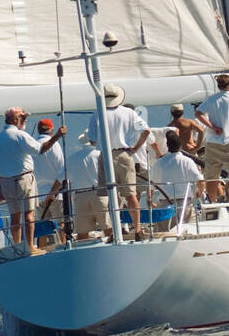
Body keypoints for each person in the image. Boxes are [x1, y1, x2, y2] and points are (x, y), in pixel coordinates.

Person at [0, 108, 65, 253]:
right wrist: (57, 136)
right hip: (23, 179)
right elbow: (40, 149)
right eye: (23, 118)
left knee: (14, 216)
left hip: (5, 182)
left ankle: (18, 247)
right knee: (28, 215)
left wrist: (0, 190)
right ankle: (30, 247)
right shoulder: (19, 135)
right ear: (16, 120)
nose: (25, 121)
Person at [87, 84, 151, 239]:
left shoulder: (97, 115)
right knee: (131, 195)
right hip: (125, 154)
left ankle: (116, 230)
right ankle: (137, 229)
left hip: (106, 156)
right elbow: (146, 130)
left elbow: (92, 140)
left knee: (111, 195)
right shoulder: (129, 113)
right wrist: (135, 149)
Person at [196, 73, 229, 201]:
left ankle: (213, 205)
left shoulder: (212, 99)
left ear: (218, 86)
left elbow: (198, 113)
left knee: (212, 178)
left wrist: (212, 126)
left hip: (213, 142)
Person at [65, 132, 111, 240]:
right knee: (108, 227)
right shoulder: (101, 154)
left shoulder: (72, 158)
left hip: (80, 195)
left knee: (82, 233)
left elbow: (65, 178)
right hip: (99, 193)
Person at [151, 131, 204, 214]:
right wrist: (198, 194)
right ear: (180, 145)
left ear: (167, 145)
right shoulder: (187, 161)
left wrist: (150, 201)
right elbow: (201, 181)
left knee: (163, 227)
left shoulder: (158, 163)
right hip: (184, 204)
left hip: (165, 205)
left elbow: (151, 185)